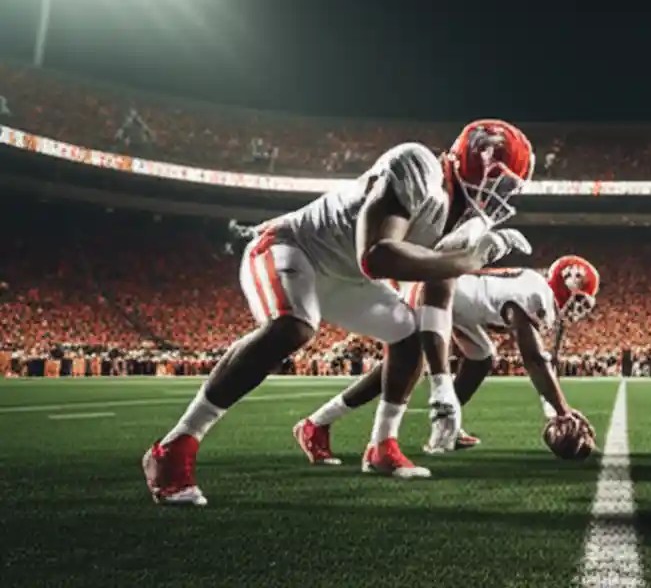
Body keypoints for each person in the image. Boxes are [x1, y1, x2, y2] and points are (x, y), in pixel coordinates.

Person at [142, 120, 535, 506]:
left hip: (346, 278)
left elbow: (437, 290)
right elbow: (377, 255)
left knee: (407, 331)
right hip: (294, 247)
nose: (500, 194)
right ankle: (174, 446)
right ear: (469, 159)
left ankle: (383, 445)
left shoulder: (467, 220)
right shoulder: (419, 165)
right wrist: (467, 260)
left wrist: (442, 383)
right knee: (294, 326)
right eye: (498, 180)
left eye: (509, 188)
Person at [295, 255, 601, 462]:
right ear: (567, 282)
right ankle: (316, 424)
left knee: (482, 356)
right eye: (581, 299)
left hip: (460, 305)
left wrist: (555, 412)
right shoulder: (537, 294)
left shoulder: (534, 289)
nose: (580, 309)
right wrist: (562, 410)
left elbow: (539, 362)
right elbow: (534, 360)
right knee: (405, 363)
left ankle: (451, 429)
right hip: (436, 290)